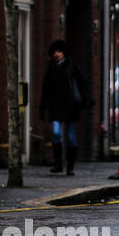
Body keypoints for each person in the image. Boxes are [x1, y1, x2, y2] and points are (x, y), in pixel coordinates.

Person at [39, 39, 91, 175]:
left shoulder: (72, 66)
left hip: (70, 107)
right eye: (55, 52)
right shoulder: (50, 68)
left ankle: (70, 166)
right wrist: (42, 107)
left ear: (64, 53)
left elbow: (82, 83)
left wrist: (86, 100)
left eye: (59, 52)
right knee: (56, 133)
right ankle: (58, 164)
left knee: (71, 136)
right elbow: (45, 89)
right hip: (55, 106)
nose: (57, 54)